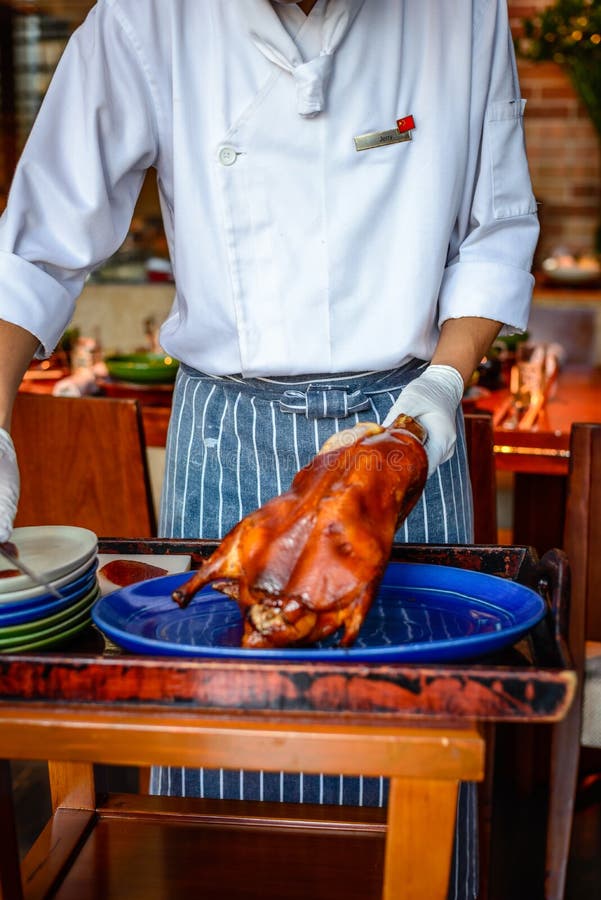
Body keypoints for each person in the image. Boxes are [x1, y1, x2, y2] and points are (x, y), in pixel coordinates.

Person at [0, 1, 539, 896]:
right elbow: (36, 244)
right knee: (223, 770)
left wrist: (440, 389)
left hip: (402, 441)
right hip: (227, 436)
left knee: (417, 764)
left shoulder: (462, 12)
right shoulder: (146, 15)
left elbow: (495, 229)